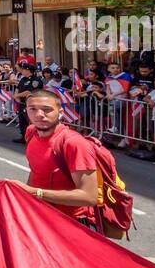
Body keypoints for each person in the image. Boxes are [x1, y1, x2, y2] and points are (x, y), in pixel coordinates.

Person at [17, 88, 101, 227]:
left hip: (72, 223)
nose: (39, 114)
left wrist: (35, 193)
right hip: (41, 218)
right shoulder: (31, 132)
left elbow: (89, 197)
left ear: (60, 113)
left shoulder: (74, 143)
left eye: (47, 109)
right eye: (33, 109)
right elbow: (36, 171)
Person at [12, 61, 44, 143]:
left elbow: (29, 92)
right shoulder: (23, 79)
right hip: (22, 103)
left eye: (24, 69)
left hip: (31, 104)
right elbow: (18, 88)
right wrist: (16, 96)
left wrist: (17, 95)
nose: (22, 71)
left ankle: (35, 138)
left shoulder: (36, 80)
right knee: (22, 122)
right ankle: (24, 137)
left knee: (31, 122)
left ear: (28, 70)